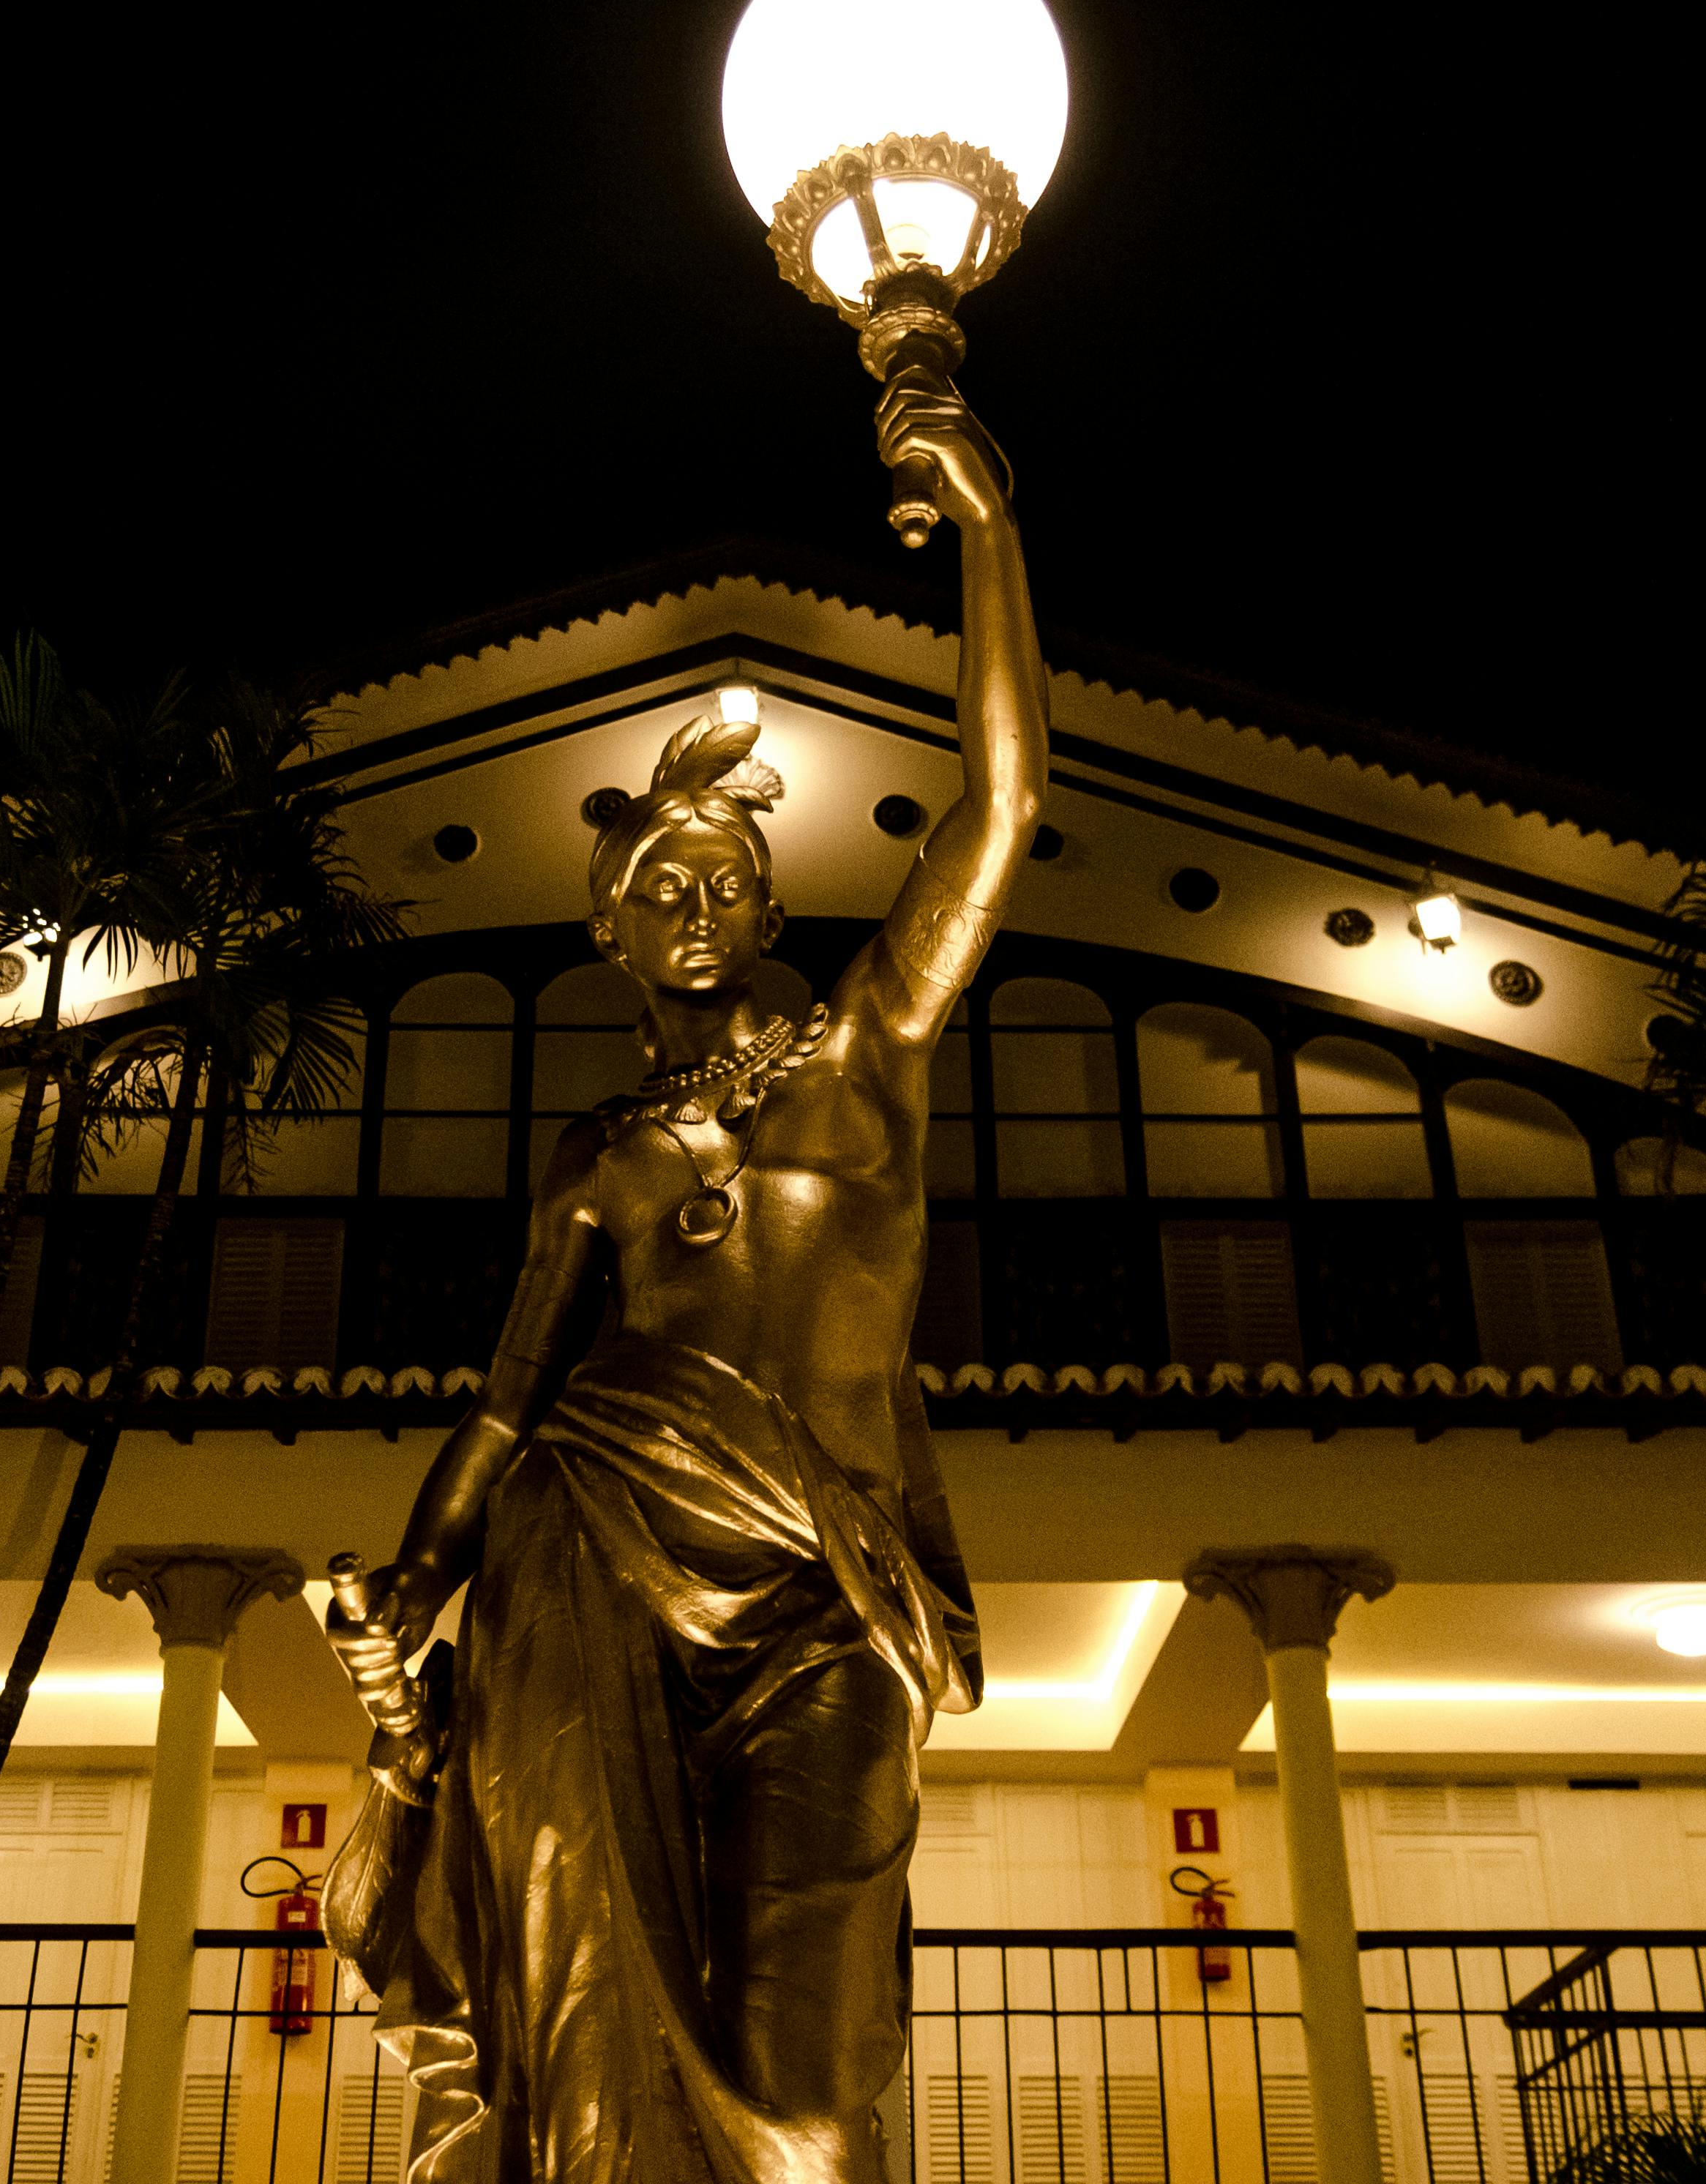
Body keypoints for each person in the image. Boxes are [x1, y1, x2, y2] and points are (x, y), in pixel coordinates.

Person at [324, 371, 1043, 2181]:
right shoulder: (592, 1155)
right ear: (609, 927)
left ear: (769, 904)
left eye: (724, 871)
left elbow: (1004, 805)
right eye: (659, 881)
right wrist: (421, 1571)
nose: (694, 900)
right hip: (594, 1535)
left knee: (806, 2102)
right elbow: (508, 1392)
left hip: (825, 1580)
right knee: (581, 1998)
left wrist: (986, 528)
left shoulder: (868, 1047)